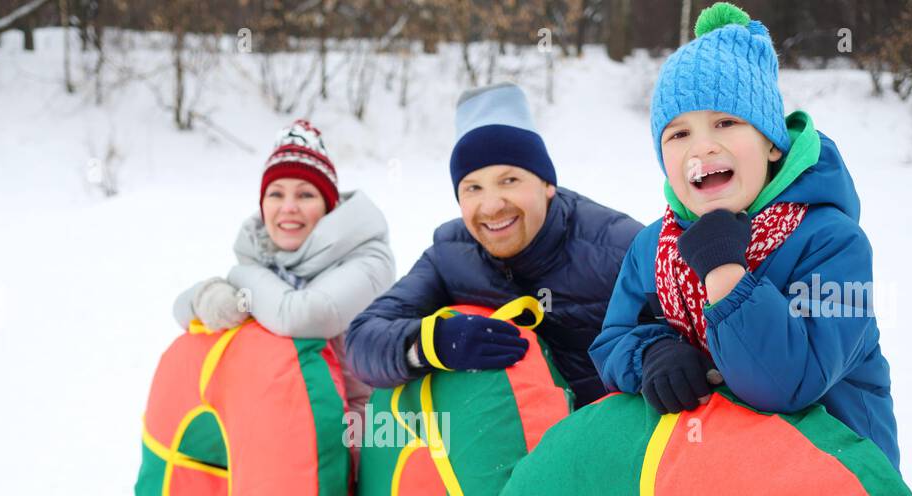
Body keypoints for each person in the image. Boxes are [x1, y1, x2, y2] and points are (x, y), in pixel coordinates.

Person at [590, 2, 900, 470]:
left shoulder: (833, 243)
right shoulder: (653, 248)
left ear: (772, 143)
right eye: (678, 135)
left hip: (834, 483)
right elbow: (613, 339)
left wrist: (725, 272)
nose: (702, 146)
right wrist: (653, 352)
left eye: (726, 123)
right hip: (724, 485)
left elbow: (786, 383)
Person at [345, 82, 642, 409]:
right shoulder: (449, 255)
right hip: (508, 446)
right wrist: (432, 343)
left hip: (610, 445)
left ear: (547, 184)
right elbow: (362, 340)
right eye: (473, 188)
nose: (490, 206)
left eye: (509, 180)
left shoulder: (619, 248)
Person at [173, 118, 396, 425]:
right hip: (286, 432)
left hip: (364, 437)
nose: (288, 207)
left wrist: (239, 278)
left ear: (329, 206)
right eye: (276, 194)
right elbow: (180, 311)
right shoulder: (267, 262)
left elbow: (306, 315)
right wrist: (207, 294)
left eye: (305, 195)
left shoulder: (369, 260)